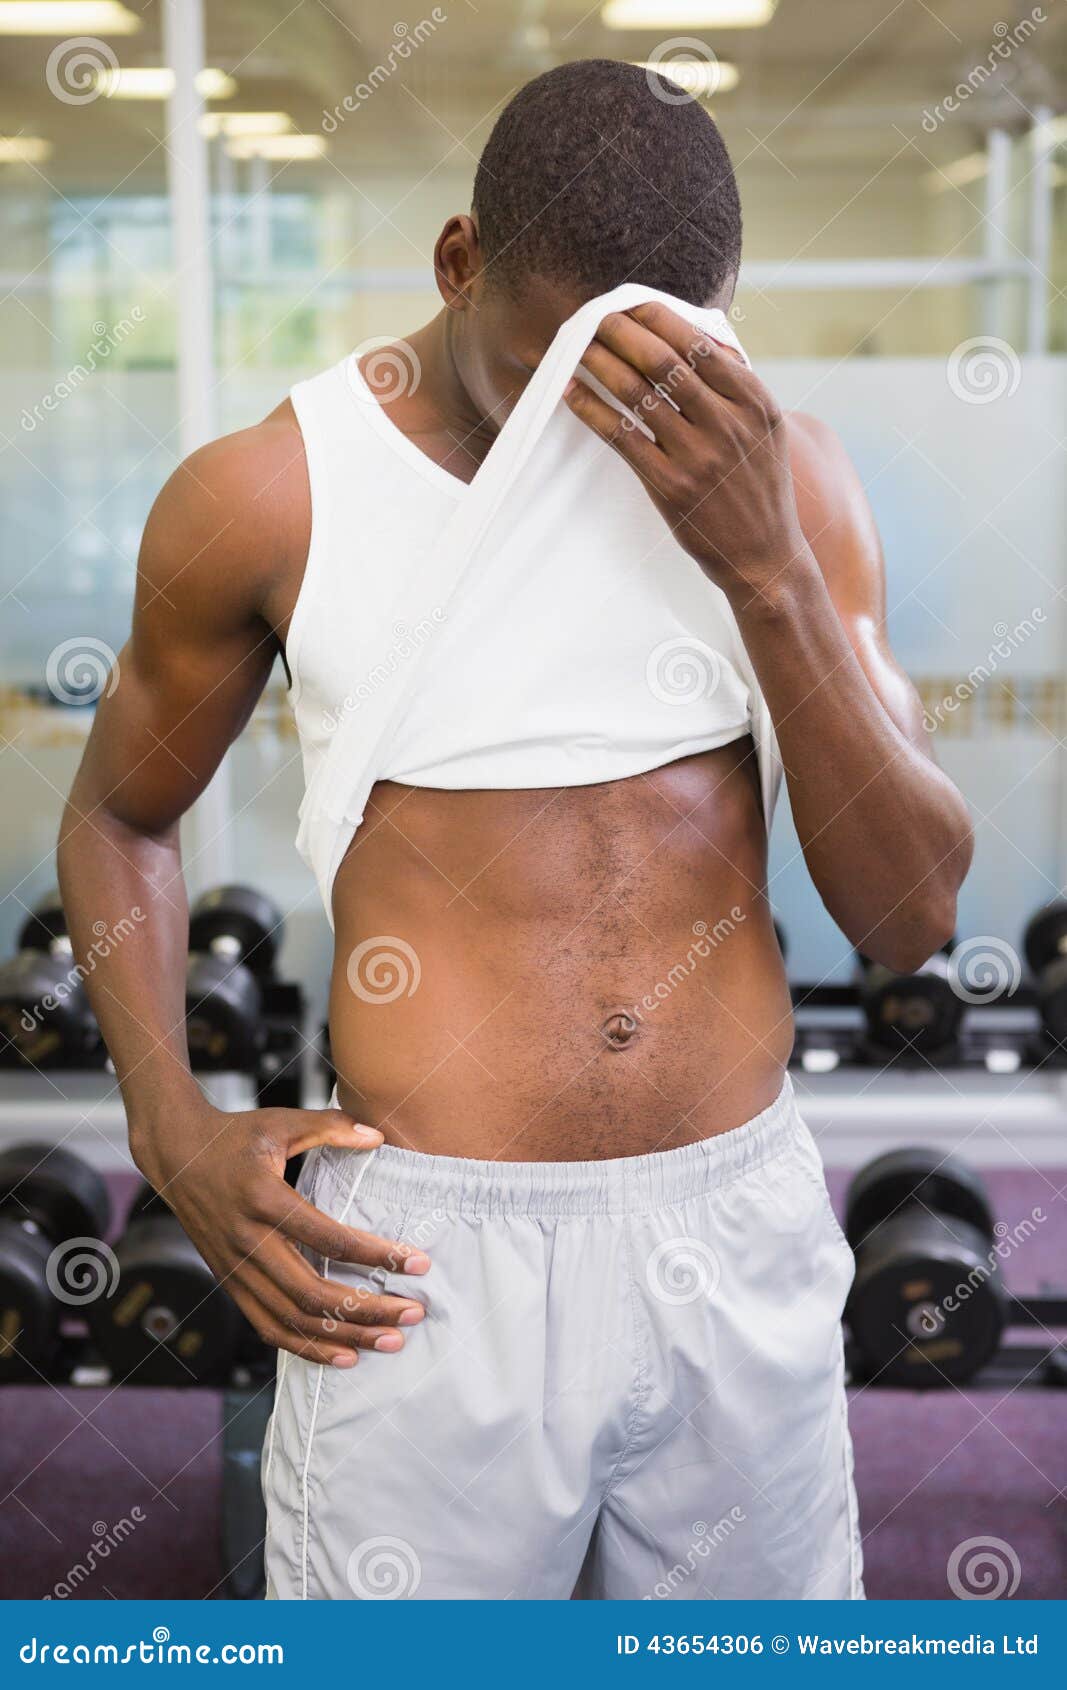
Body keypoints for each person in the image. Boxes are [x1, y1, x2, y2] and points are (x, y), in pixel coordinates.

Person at [58, 59, 973, 1600]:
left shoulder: (787, 482)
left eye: (652, 361)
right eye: (554, 363)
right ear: (458, 262)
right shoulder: (274, 495)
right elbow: (118, 817)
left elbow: (913, 919)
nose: (595, 415)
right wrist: (174, 1129)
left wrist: (767, 573)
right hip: (421, 1276)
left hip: (729, 1239)